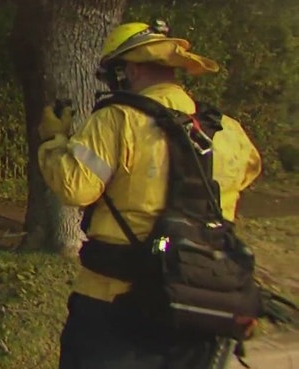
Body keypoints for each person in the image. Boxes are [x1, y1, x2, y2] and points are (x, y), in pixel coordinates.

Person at [38, 20, 263, 369]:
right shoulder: (227, 129)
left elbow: (76, 187)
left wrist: (55, 140)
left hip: (116, 299)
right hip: (201, 304)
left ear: (133, 68)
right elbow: (246, 175)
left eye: (116, 71)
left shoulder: (117, 119)